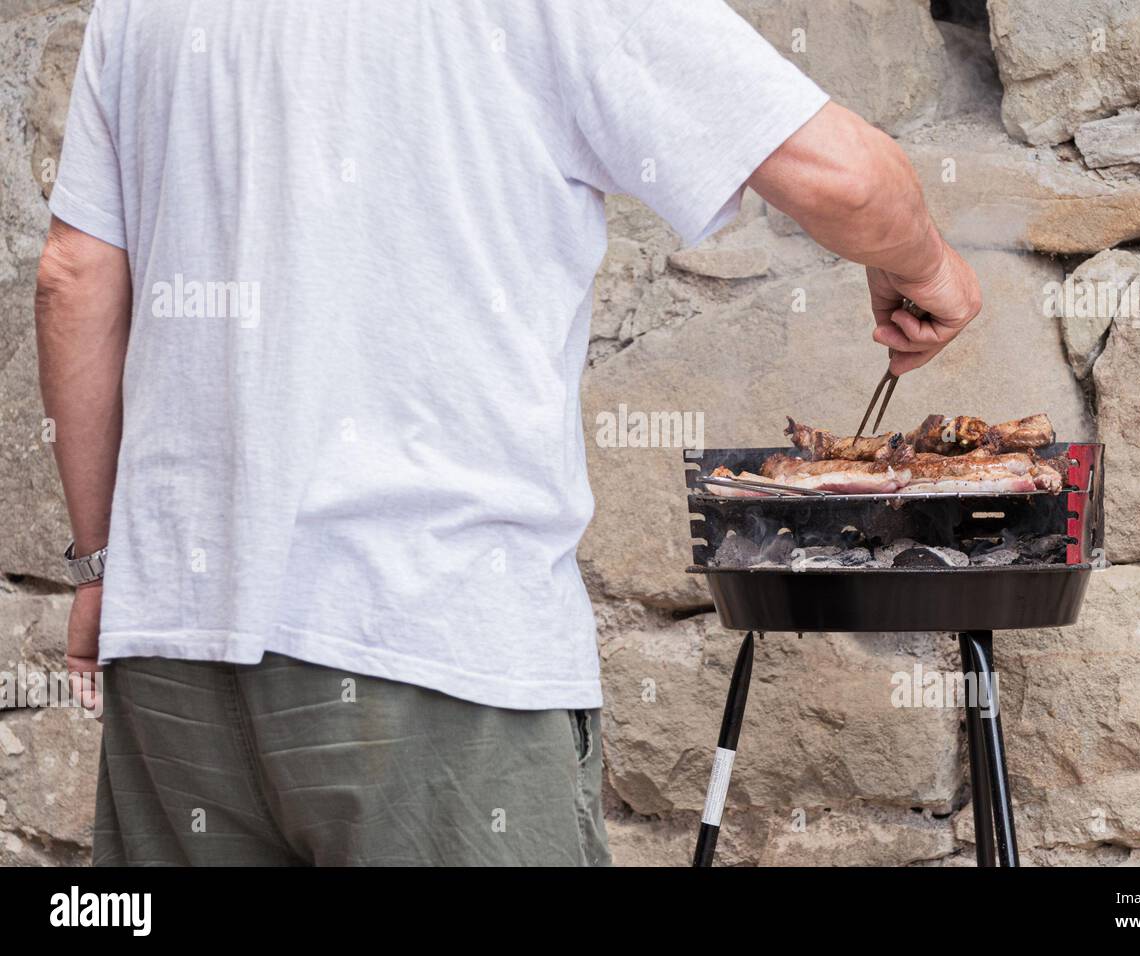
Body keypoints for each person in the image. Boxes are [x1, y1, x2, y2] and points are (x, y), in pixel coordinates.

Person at [35, 0, 981, 866]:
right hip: (435, 653)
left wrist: (101, 565)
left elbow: (74, 276)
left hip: (173, 663)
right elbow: (850, 182)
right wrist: (930, 266)